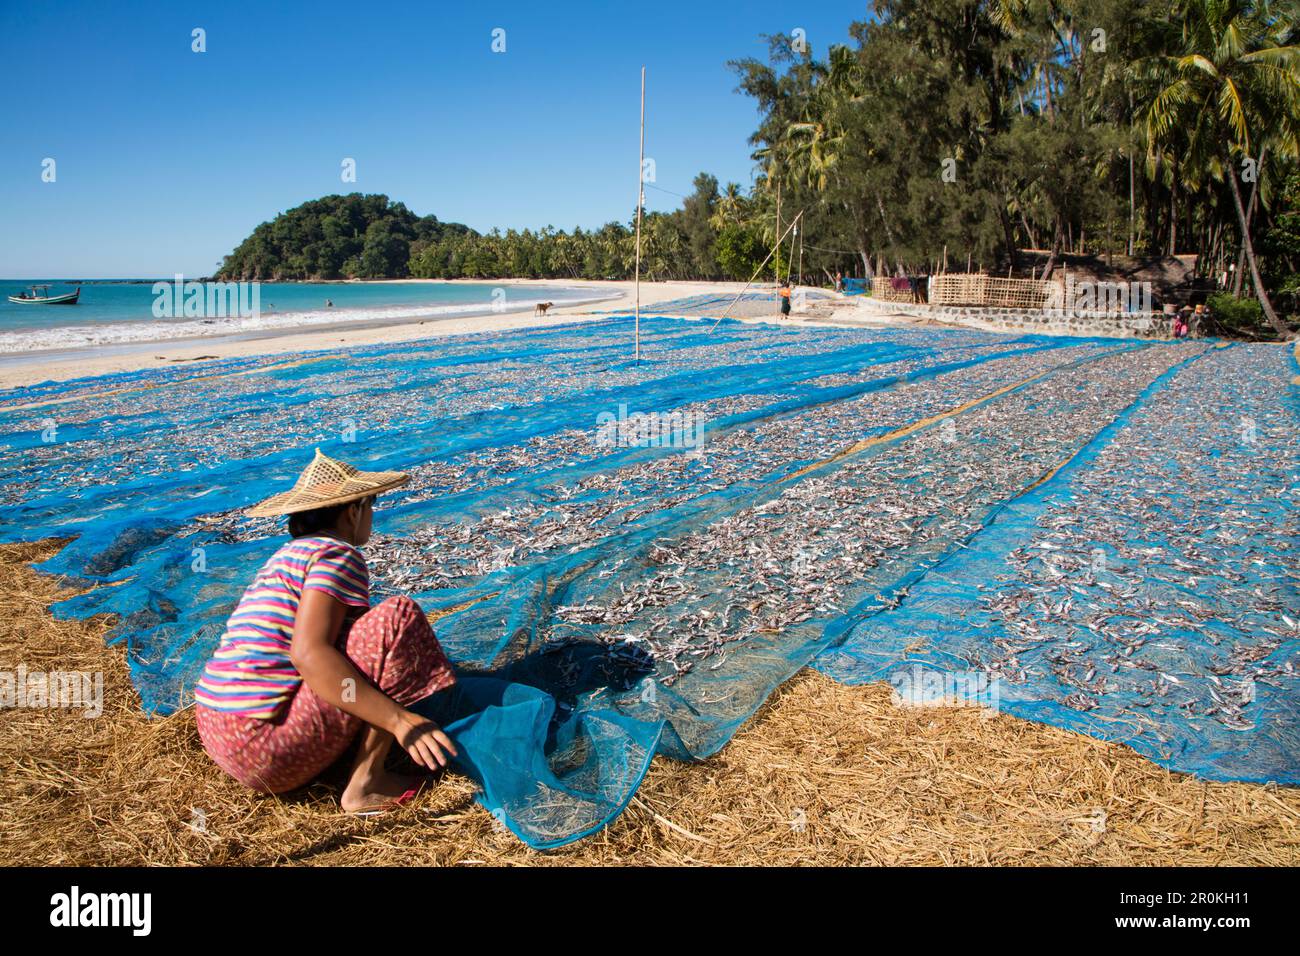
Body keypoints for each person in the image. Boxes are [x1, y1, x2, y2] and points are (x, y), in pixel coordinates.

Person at [194, 449, 458, 814]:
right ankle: (366, 783)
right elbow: (309, 653)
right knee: (397, 618)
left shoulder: (287, 556)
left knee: (356, 634)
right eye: (371, 506)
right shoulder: (337, 554)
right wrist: (399, 720)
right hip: (266, 747)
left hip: (221, 733)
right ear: (354, 510)